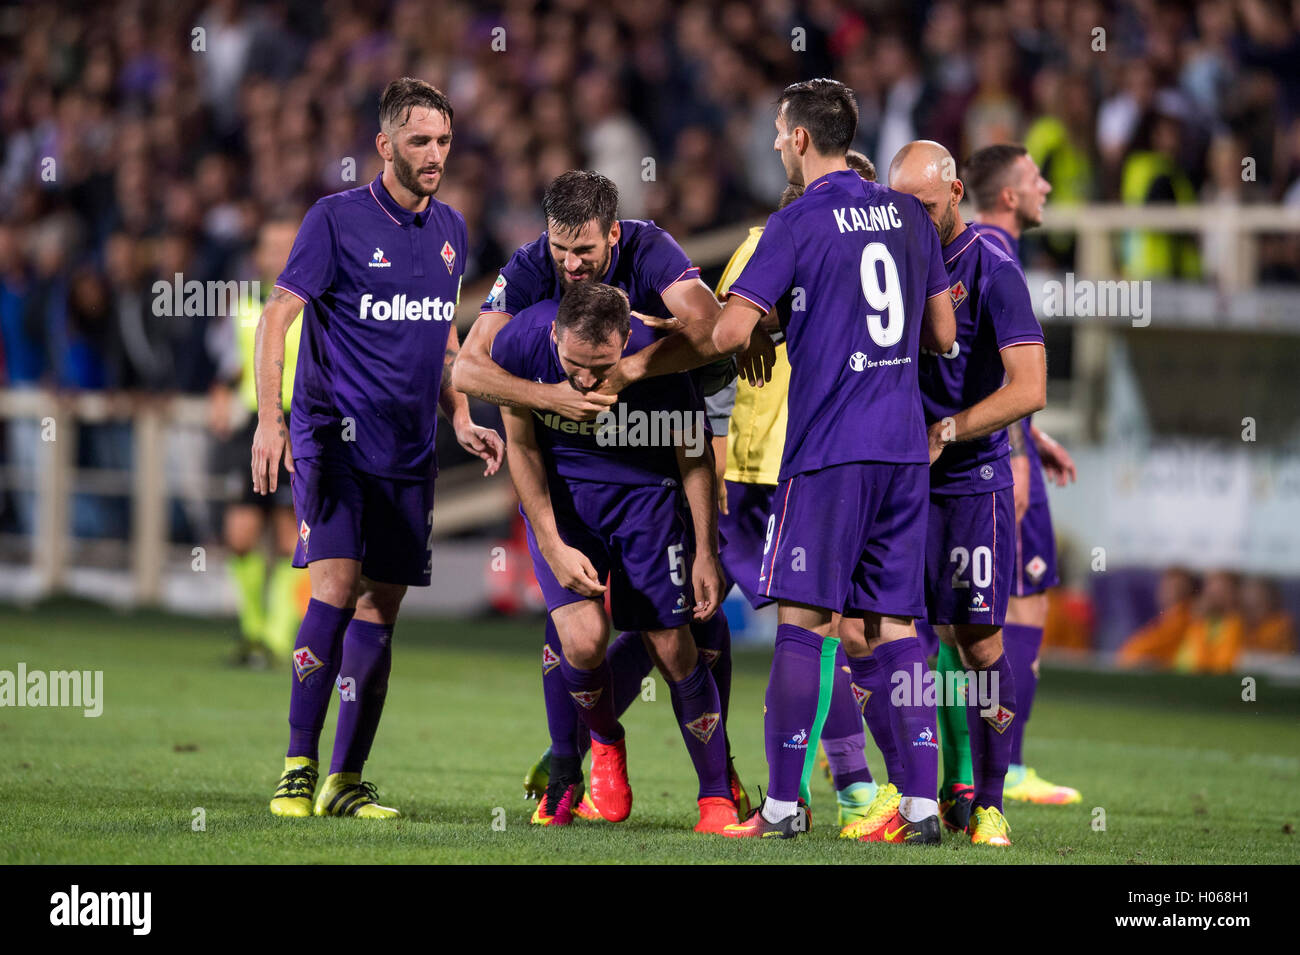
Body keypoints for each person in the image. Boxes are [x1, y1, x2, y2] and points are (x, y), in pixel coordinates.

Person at [599, 79, 957, 841]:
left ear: (799, 138)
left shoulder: (796, 222)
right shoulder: (908, 216)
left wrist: (659, 329)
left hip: (828, 451)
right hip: (902, 451)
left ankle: (787, 807)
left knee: (805, 623)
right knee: (895, 627)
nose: (771, 143)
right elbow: (943, 333)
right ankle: (921, 809)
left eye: (776, 132)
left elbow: (727, 335)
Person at [451, 170, 746, 821]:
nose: (571, 263)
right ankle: (587, 756)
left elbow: (721, 334)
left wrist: (634, 364)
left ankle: (717, 780)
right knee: (587, 640)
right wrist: (554, 395)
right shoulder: (531, 291)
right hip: (573, 477)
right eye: (561, 248)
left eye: (585, 250)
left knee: (694, 623)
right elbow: (472, 369)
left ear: (615, 233)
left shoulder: (652, 256)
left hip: (658, 461)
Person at [254, 77, 504, 819]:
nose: (435, 155)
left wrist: (458, 411)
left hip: (408, 446)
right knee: (334, 584)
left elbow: (440, 334)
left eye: (444, 142)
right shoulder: (334, 220)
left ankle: (346, 777)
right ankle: (297, 765)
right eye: (420, 141)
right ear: (385, 144)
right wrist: (270, 420)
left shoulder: (454, 229)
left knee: (382, 605)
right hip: (332, 435)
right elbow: (278, 318)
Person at [493, 281, 735, 833]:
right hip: (564, 509)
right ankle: (603, 744)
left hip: (645, 504)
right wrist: (551, 543)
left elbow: (692, 454)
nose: (584, 380)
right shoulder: (522, 345)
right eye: (574, 364)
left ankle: (716, 799)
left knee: (674, 648)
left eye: (601, 365)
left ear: (626, 341)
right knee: (580, 641)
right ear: (554, 334)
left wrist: (704, 549)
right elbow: (523, 447)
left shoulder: (659, 360)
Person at [889, 139, 1046, 845]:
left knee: (979, 643)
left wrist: (951, 429)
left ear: (956, 194)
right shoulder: (889, 257)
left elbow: (1029, 386)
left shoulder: (993, 265)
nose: (913, 222)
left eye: (924, 208)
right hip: (896, 478)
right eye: (902, 209)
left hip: (969, 480)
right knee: (896, 640)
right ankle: (921, 788)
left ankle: (989, 800)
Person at [966, 143, 1082, 805]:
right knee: (1015, 605)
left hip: (1002, 443)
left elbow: (976, 369)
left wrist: (1034, 436)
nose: (1044, 187)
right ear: (1009, 194)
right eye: (1036, 177)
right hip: (995, 458)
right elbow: (1004, 372)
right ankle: (1000, 768)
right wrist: (1016, 452)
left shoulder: (970, 248)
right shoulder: (996, 252)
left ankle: (921, 753)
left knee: (962, 617)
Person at [210, 216, 306, 668]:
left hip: (301, 421)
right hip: (255, 419)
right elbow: (231, 363)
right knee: (241, 536)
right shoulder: (244, 303)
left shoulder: (320, 301)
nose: (279, 253)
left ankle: (275, 636)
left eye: (287, 243)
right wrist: (219, 392)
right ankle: (252, 632)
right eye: (271, 245)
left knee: (291, 538)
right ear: (259, 254)